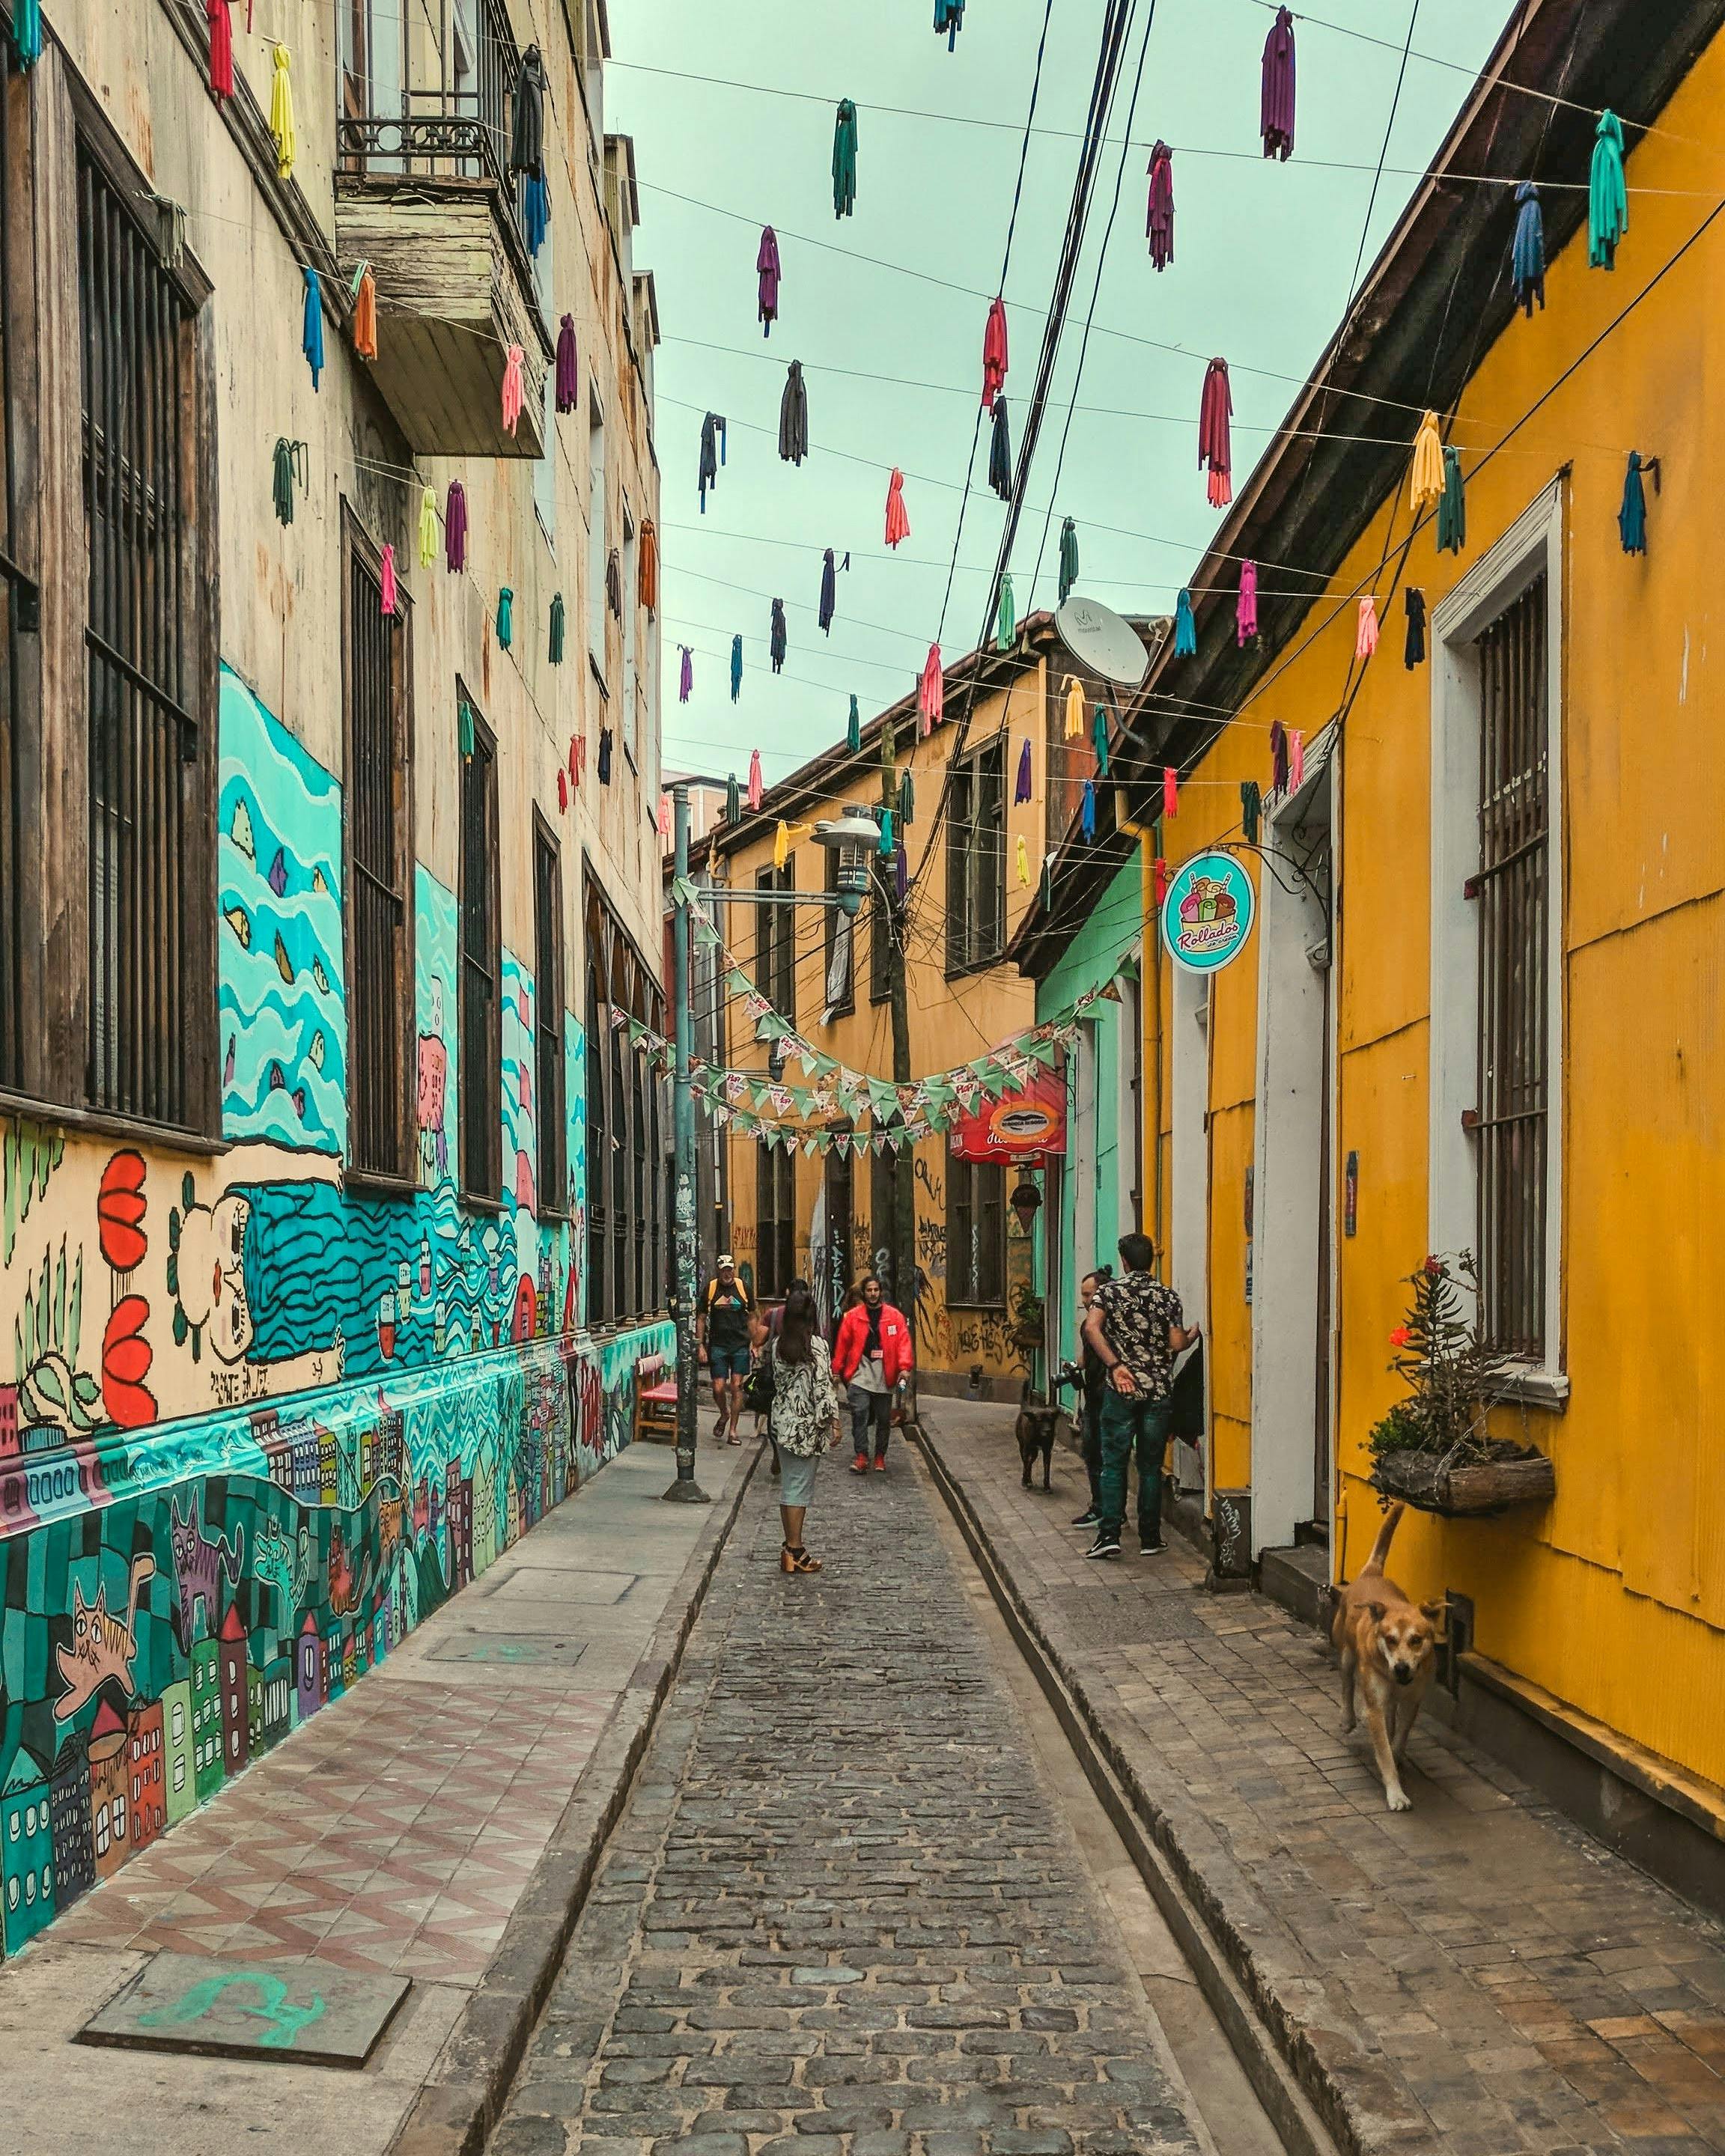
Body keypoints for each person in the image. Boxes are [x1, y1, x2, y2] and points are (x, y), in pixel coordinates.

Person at [1082, 1232, 1199, 1560]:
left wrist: (1116, 1364)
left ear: (1124, 1260)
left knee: (1114, 1464)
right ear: (1152, 1259)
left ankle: (1108, 1535)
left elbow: (1092, 1328)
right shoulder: (1168, 1296)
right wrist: (1191, 1337)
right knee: (1150, 1467)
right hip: (1158, 1392)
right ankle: (1150, 1537)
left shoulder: (1108, 1292)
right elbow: (1176, 1344)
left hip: (1122, 1391)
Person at [767, 1282, 842, 1574]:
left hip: (782, 1422)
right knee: (799, 1489)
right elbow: (823, 1387)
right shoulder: (817, 1347)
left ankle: (789, 1546)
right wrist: (833, 1421)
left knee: (789, 1486)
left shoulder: (777, 1347)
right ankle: (796, 1550)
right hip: (805, 1427)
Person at [831, 1273, 913, 1476]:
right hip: (861, 1372)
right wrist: (836, 1370)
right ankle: (861, 1456)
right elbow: (842, 1345)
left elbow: (903, 1343)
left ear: (881, 1292)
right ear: (864, 1293)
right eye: (869, 1290)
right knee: (860, 1412)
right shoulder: (852, 1318)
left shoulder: (895, 1317)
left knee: (884, 1419)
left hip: (885, 1374)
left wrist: (904, 1367)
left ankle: (880, 1456)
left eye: (876, 1290)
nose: (873, 1294)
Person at [1068, 1266, 1112, 1529]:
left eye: (1089, 1295)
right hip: (1093, 1396)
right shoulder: (1089, 1324)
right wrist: (1073, 1367)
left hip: (1105, 1396)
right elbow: (1086, 1358)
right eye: (1083, 1296)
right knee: (1095, 1454)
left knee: (1098, 1455)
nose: (1085, 1302)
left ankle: (1101, 1508)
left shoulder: (1106, 1323)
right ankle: (1108, 1508)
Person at [699, 1255, 754, 1445]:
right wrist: (700, 1345)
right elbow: (701, 1317)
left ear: (734, 1269)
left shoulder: (743, 1288)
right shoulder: (711, 1288)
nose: (727, 1273)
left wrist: (755, 1342)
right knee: (718, 1386)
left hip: (740, 1344)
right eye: (724, 1270)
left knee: (736, 1386)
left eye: (730, 1269)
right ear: (718, 1270)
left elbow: (753, 1316)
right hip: (718, 1345)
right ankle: (724, 1413)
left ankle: (733, 1431)